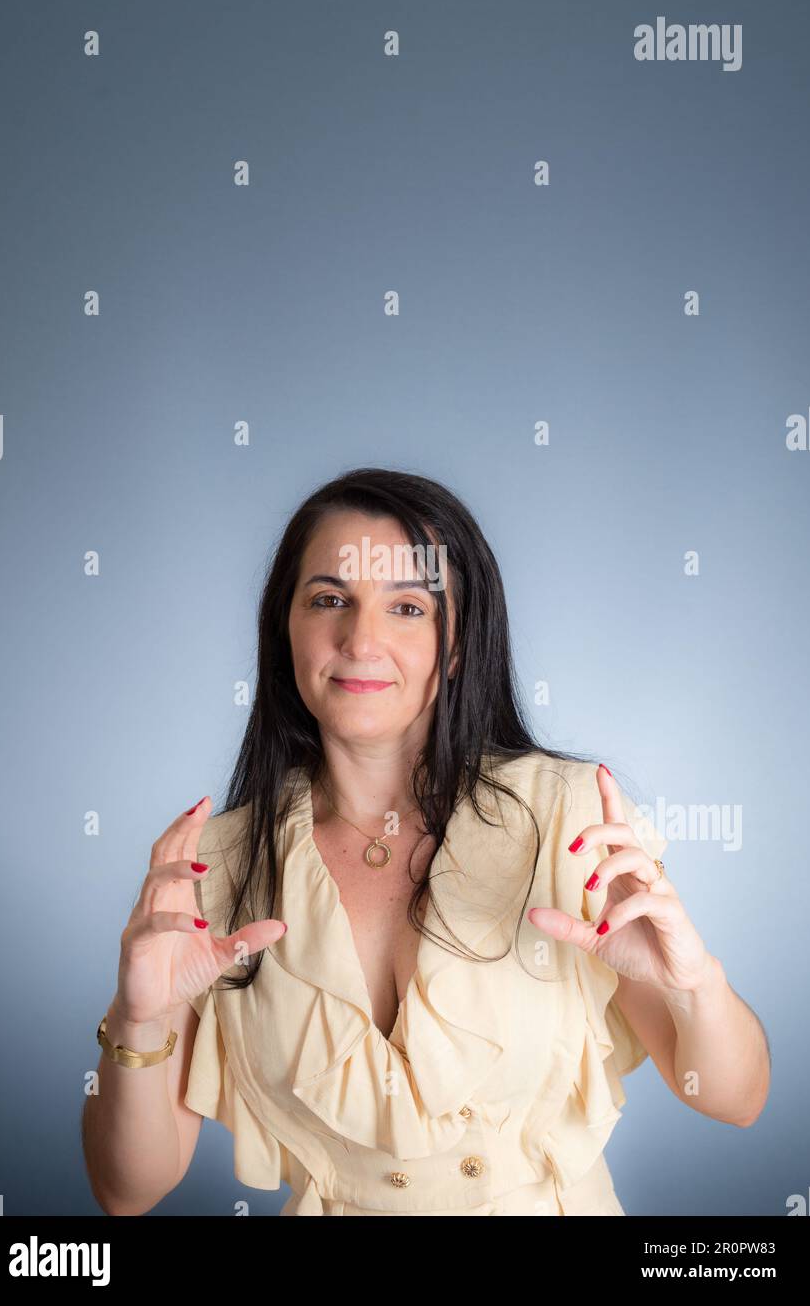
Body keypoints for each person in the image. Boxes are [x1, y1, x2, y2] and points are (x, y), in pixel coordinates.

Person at [82, 468, 770, 1216]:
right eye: (328, 600)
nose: (361, 638)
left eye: (407, 607)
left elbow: (734, 1102)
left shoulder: (570, 819)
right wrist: (138, 1017)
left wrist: (692, 983)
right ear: (287, 630)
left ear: (455, 646)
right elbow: (128, 1191)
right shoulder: (212, 865)